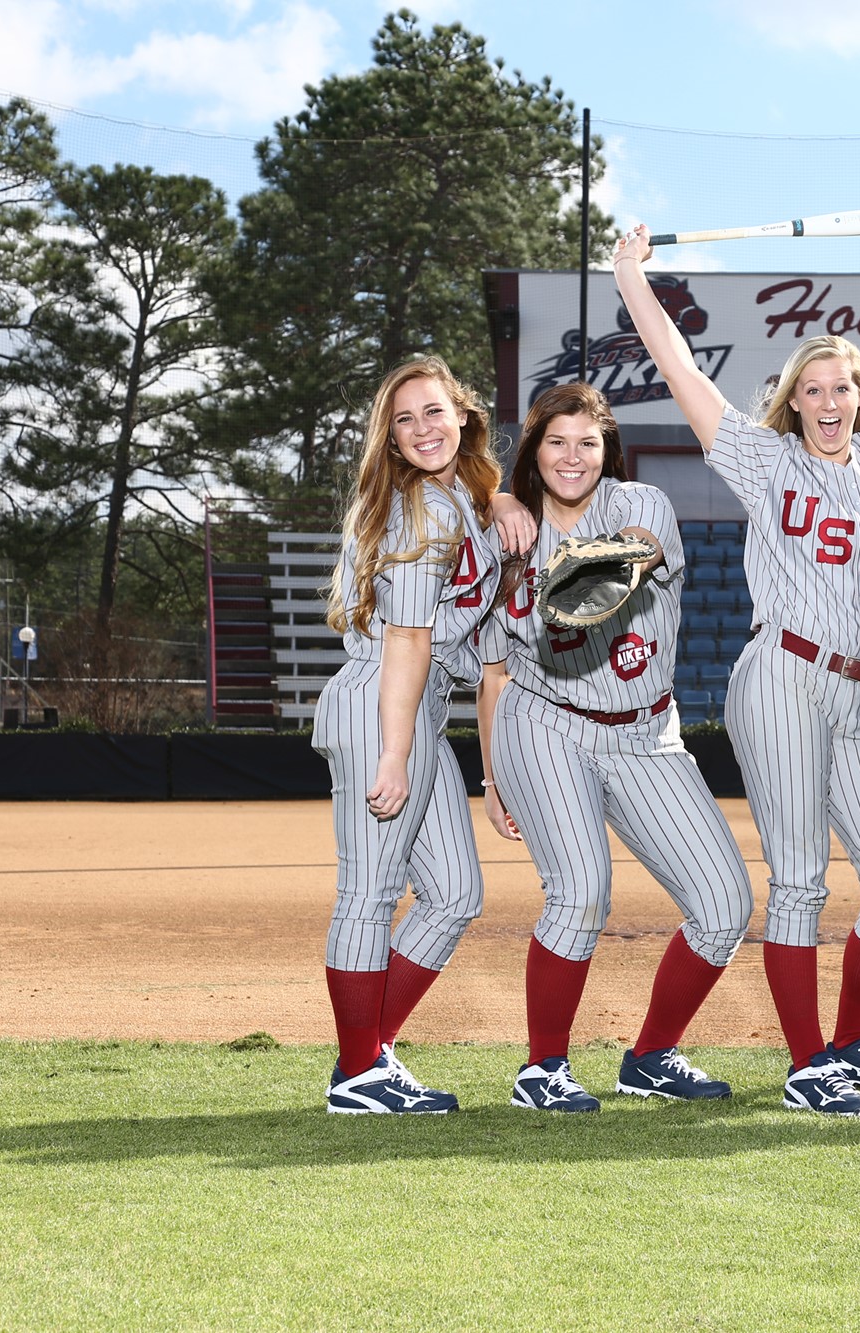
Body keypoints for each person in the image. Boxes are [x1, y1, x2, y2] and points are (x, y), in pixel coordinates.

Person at [610, 205, 860, 1116]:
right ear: (794, 400)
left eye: (842, 386)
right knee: (800, 877)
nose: (830, 401)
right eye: (813, 389)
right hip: (783, 678)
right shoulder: (764, 460)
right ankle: (810, 1065)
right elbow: (682, 369)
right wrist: (631, 277)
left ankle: (851, 1042)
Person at [477, 382, 755, 1113]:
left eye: (588, 443)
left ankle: (652, 1056)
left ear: (608, 452)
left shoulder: (640, 502)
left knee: (724, 904)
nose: (572, 457)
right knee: (580, 890)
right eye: (557, 442)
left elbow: (645, 544)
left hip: (644, 732)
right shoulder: (503, 536)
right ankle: (543, 1067)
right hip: (545, 723)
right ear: (534, 450)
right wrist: (493, 778)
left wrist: (587, 569)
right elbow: (494, 674)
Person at [314, 355, 536, 1114]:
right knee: (370, 892)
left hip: (419, 707)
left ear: (463, 415)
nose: (421, 429)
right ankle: (358, 1074)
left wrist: (494, 779)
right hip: (380, 702)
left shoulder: (463, 503)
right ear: (391, 438)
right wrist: (394, 752)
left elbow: (492, 669)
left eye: (433, 411)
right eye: (403, 419)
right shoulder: (421, 508)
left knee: (455, 894)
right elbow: (408, 638)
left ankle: (367, 1056)